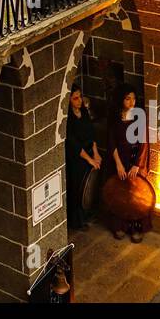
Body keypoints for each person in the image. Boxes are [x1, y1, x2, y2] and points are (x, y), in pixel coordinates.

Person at [109, 86, 151, 243]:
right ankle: (120, 226)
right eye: (128, 98)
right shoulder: (115, 117)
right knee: (120, 193)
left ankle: (136, 228)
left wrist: (137, 165)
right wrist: (118, 164)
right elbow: (111, 141)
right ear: (121, 100)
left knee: (135, 194)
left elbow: (144, 142)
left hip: (135, 159)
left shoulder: (140, 117)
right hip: (120, 159)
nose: (132, 102)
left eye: (133, 98)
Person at [65, 82, 101, 230]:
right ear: (68, 100)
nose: (79, 101)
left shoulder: (84, 112)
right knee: (78, 188)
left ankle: (88, 214)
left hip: (89, 152)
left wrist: (96, 153)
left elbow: (91, 133)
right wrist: (89, 159)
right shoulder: (69, 119)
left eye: (79, 97)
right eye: (75, 98)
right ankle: (78, 221)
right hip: (77, 158)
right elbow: (73, 144)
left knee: (90, 185)